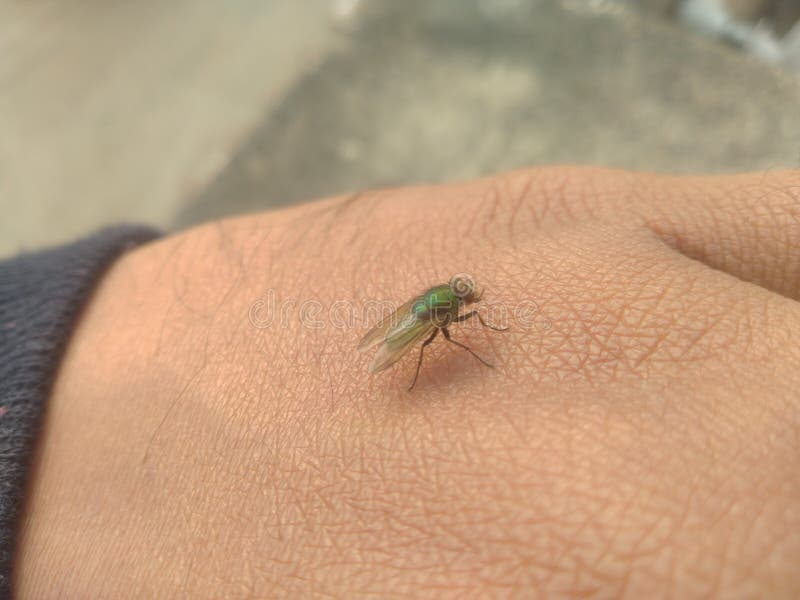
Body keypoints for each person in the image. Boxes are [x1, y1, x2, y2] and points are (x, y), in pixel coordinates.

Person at [4, 166, 799, 597]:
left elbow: (430, 304)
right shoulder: (441, 314)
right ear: (455, 303)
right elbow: (421, 321)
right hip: (407, 334)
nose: (470, 303)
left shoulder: (445, 297)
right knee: (421, 351)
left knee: (425, 341)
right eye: (467, 301)